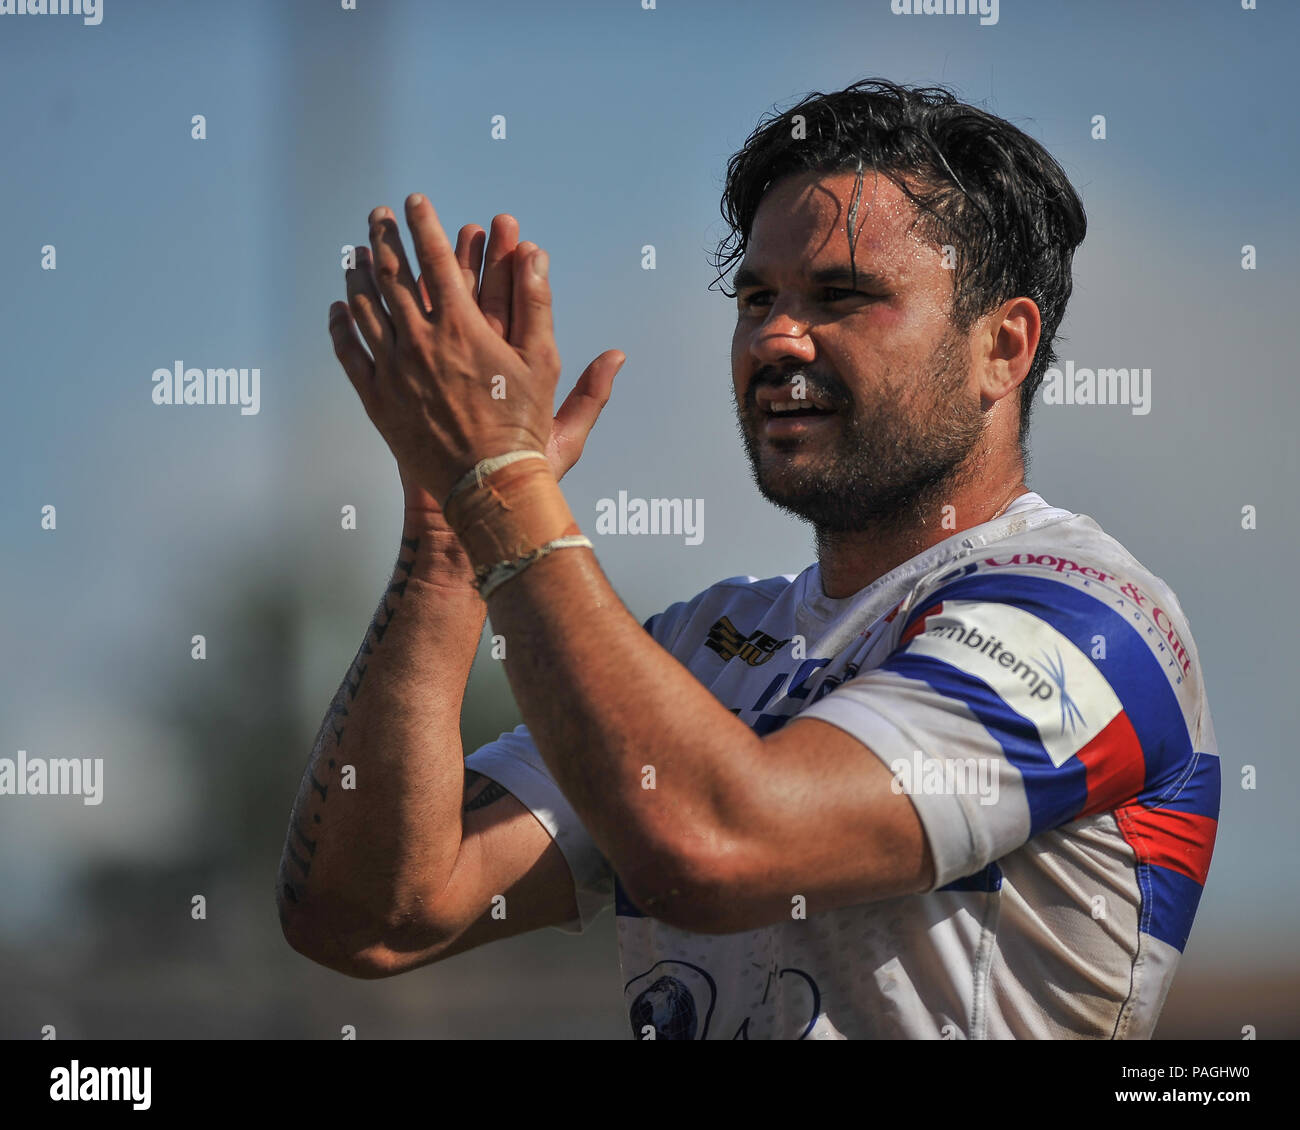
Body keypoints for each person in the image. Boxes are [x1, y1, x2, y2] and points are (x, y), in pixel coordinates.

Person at [277, 79, 1219, 1039]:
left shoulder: (1087, 619)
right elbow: (370, 918)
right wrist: (450, 537)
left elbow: (718, 845)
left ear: (1003, 347)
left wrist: (507, 486)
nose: (776, 335)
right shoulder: (704, 643)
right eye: (758, 296)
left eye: (843, 295)